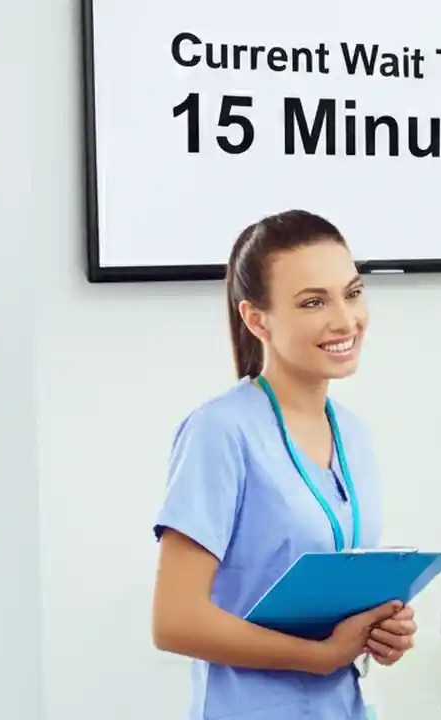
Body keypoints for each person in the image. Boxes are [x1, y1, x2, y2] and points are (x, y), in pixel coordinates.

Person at [150, 209, 416, 719]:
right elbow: (174, 620)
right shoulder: (220, 431)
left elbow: (330, 593)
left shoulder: (353, 435)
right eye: (314, 302)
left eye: (353, 293)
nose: (344, 319)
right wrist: (317, 657)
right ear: (257, 319)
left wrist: (380, 628)